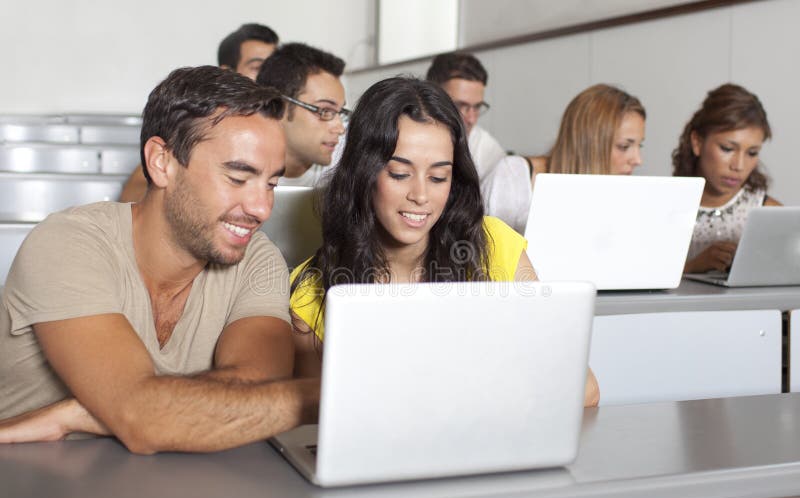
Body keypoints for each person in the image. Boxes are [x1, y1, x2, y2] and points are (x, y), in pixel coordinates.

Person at [0, 66, 318, 453]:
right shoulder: (67, 243)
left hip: (162, 491)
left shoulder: (255, 257)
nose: (261, 208)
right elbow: (143, 417)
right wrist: (319, 395)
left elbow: (260, 390)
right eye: (237, 178)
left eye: (271, 184)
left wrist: (91, 414)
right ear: (161, 162)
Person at [288, 77, 600, 406]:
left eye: (439, 177)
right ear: (363, 173)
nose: (421, 195)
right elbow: (316, 420)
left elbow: (585, 388)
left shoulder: (493, 246)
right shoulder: (312, 292)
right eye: (399, 173)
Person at [119, 23, 280, 203]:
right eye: (258, 67)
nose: (270, 77)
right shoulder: (202, 122)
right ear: (227, 72)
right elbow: (135, 200)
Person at [483, 84, 646, 233]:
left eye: (640, 146)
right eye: (624, 146)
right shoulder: (514, 176)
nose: (638, 160)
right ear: (588, 144)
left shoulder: (622, 198)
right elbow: (486, 253)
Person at [673, 84, 781, 274]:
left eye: (752, 153)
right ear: (697, 142)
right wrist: (692, 267)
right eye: (727, 149)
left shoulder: (771, 215)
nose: (739, 166)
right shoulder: (664, 207)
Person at [256, 43, 348, 187]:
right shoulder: (240, 171)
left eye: (340, 112)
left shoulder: (342, 172)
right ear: (278, 107)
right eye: (325, 111)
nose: (340, 128)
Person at [426, 53, 506, 180]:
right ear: (430, 97)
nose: (471, 119)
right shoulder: (399, 136)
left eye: (477, 107)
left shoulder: (484, 148)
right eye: (459, 106)